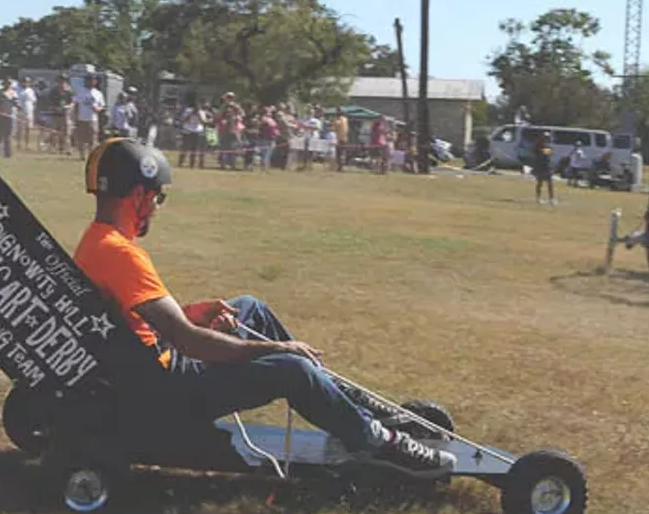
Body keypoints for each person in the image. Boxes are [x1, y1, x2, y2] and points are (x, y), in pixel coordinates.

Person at [71, 139, 457, 476]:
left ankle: (347, 401)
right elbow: (185, 341)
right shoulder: (122, 256)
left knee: (249, 309)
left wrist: (195, 312)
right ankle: (377, 441)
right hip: (167, 394)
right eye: (158, 197)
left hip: (151, 370)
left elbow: (146, 326)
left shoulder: (97, 242)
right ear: (139, 195)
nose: (156, 207)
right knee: (292, 369)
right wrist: (278, 349)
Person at [74, 74, 105, 159]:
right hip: (81, 118)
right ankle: (82, 156)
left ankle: (91, 156)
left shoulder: (98, 93)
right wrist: (75, 117)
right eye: (89, 80)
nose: (91, 82)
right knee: (81, 138)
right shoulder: (80, 91)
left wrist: (98, 109)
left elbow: (102, 106)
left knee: (93, 138)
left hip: (93, 119)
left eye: (93, 80)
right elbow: (76, 104)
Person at [533, 131, 556, 205]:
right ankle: (538, 198)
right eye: (545, 138)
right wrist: (544, 151)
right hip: (540, 167)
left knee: (550, 183)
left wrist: (547, 151)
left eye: (547, 138)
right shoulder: (537, 146)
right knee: (540, 183)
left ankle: (551, 199)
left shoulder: (548, 146)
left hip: (547, 166)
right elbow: (539, 152)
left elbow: (550, 153)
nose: (546, 139)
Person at [16, 76, 37, 152]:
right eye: (25, 81)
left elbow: (34, 101)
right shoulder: (18, 89)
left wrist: (33, 109)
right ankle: (19, 143)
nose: (26, 83)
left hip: (29, 111)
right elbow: (15, 99)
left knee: (28, 129)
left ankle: (27, 144)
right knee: (20, 129)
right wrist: (17, 106)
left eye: (28, 82)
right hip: (20, 111)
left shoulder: (31, 91)